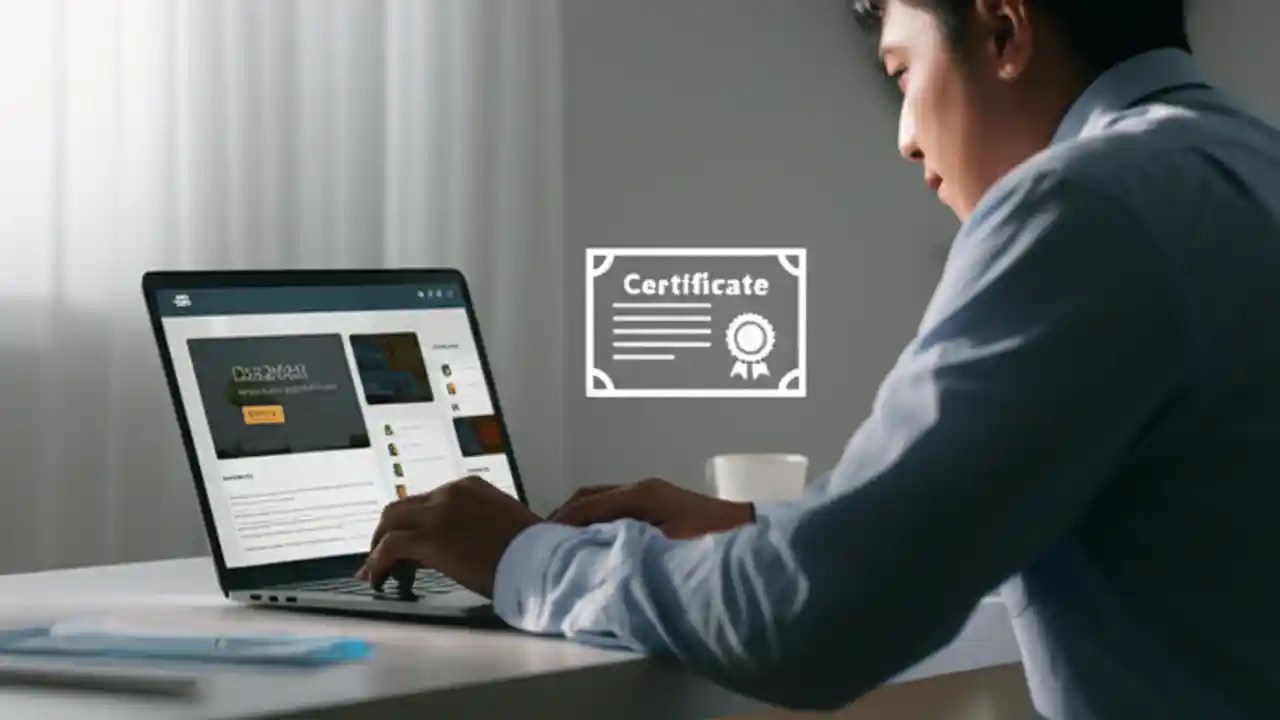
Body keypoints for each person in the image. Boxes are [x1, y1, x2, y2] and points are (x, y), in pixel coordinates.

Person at [357, 0, 1280, 716]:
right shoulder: (1246, 171)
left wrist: (528, 557)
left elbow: (810, 620)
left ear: (1002, 30)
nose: (906, 136)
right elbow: (1129, 520)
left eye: (903, 72)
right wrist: (754, 524)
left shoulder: (1077, 208)